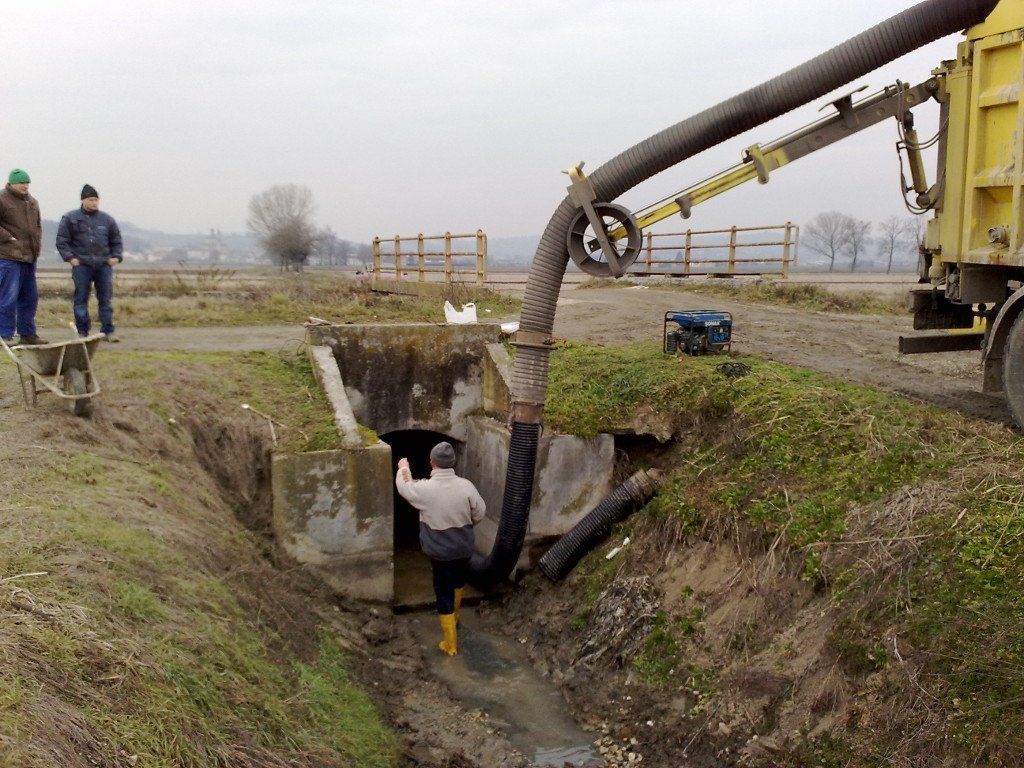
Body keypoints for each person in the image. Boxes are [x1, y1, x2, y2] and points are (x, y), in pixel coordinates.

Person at [395, 441, 485, 656]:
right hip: (463, 548)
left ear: (432, 463)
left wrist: (403, 468)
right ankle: (455, 619)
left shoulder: (425, 489)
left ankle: (450, 645)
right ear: (453, 463)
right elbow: (480, 512)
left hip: (440, 553)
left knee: (442, 592)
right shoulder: (466, 486)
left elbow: (405, 488)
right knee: (458, 581)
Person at [56, 184, 123, 342]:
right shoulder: (70, 218)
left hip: (103, 265)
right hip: (81, 265)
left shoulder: (107, 220)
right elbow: (62, 241)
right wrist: (70, 258)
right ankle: (82, 332)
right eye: (91, 199)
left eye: (96, 200)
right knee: (81, 299)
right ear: (83, 200)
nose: (94, 203)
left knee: (105, 299)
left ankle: (108, 331)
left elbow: (116, 240)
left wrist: (116, 257)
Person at [0, 168, 46, 345]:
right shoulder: (2, 199)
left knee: (30, 298)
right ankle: (4, 335)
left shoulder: (33, 202)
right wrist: (8, 238)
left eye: (27, 182)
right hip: (8, 257)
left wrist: (36, 247)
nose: (25, 186)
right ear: (12, 183)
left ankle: (27, 334)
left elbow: (37, 227)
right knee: (7, 297)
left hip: (29, 258)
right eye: (22, 183)